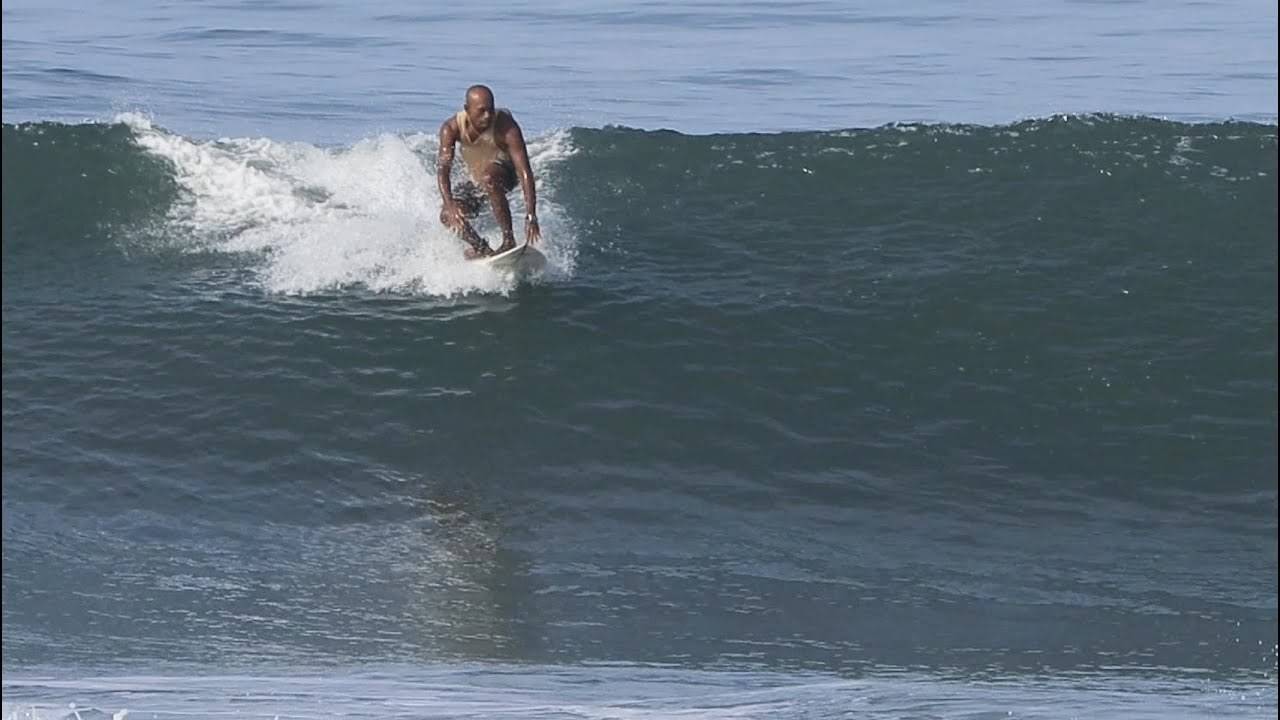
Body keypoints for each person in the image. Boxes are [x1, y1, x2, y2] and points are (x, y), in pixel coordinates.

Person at [436, 85, 541, 258]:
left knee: (489, 177)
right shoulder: (451, 128)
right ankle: (481, 248)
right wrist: (450, 204)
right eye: (481, 111)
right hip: (476, 182)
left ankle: (508, 241)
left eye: (490, 110)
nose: (487, 115)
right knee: (447, 215)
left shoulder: (506, 126)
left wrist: (531, 214)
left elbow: (525, 172)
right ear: (467, 109)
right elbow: (443, 170)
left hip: (504, 175)